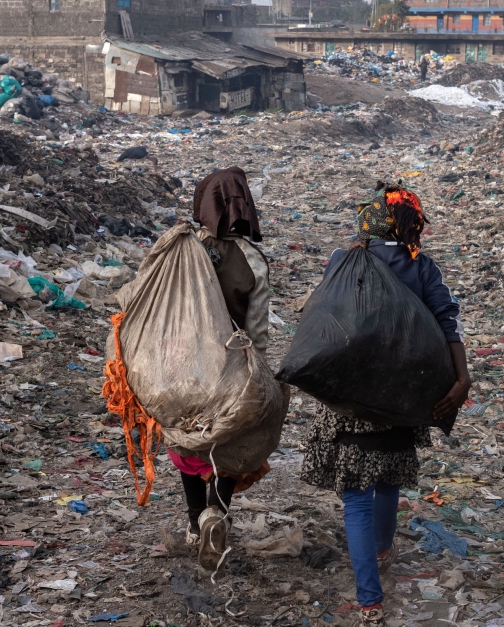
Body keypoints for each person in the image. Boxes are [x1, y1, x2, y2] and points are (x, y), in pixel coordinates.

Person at [300, 182, 470, 627]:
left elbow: (326, 313)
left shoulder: (344, 260)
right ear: (410, 225)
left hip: (350, 397)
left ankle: (369, 602)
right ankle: (381, 549)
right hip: (400, 394)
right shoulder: (422, 268)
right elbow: (447, 320)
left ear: (367, 224)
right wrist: (462, 377)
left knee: (355, 499)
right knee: (389, 479)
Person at [172, 166, 272, 571]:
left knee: (185, 442)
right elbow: (258, 329)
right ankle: (217, 512)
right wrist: (258, 373)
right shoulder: (253, 261)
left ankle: (196, 525)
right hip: (230, 367)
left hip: (182, 363)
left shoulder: (183, 250)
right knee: (228, 444)